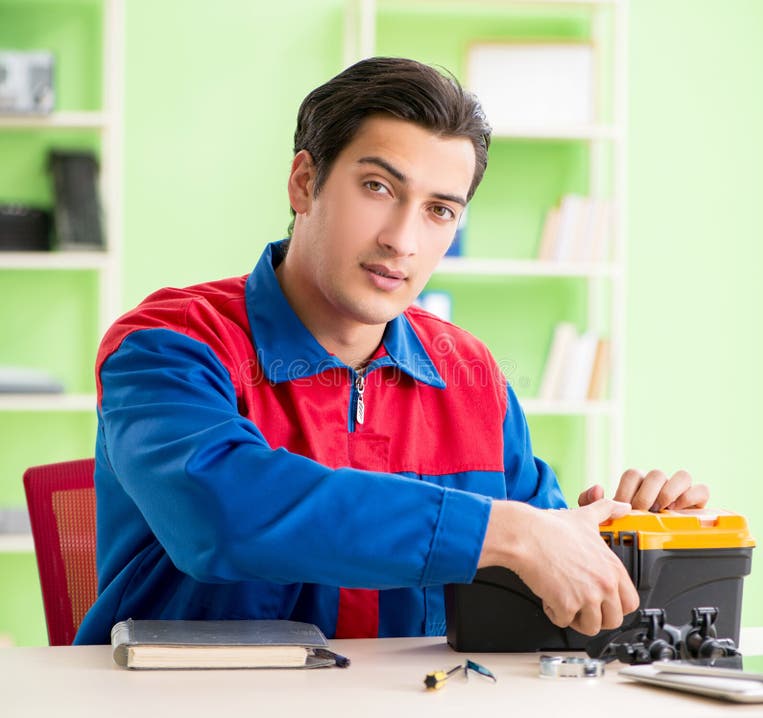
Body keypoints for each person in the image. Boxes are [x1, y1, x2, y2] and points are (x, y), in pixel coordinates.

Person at [74, 57, 708, 644]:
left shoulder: (472, 377)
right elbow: (222, 514)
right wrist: (507, 532)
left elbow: (536, 565)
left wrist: (624, 534)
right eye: (378, 187)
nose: (403, 239)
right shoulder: (168, 344)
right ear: (304, 182)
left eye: (438, 211)